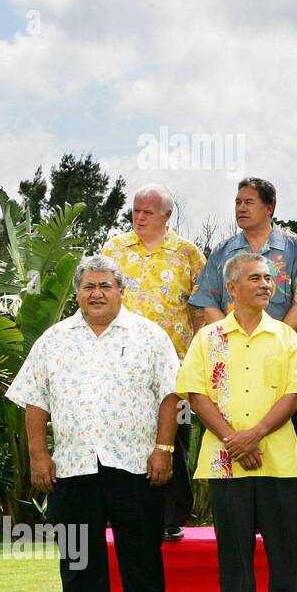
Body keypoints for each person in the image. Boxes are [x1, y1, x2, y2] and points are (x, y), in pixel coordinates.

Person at [7, 255, 180, 592]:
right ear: (78, 293)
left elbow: (170, 396)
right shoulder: (54, 339)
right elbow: (35, 400)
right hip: (73, 465)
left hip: (135, 463)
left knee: (140, 554)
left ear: (121, 291)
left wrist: (164, 449)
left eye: (105, 286)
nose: (97, 293)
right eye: (89, 286)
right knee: (79, 553)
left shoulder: (149, 336)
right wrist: (38, 457)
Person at [179, 252, 297, 592]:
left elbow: (296, 394)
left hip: (278, 459)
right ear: (232, 288)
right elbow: (195, 392)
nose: (266, 285)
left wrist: (252, 435)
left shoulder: (287, 337)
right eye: (255, 277)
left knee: (285, 546)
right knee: (233, 549)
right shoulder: (208, 338)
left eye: (269, 278)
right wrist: (233, 439)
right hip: (224, 460)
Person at [190, 177, 297, 538]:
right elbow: (206, 302)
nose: (241, 208)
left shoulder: (295, 248)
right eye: (237, 201)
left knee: (294, 432)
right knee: (229, 424)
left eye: (249, 201)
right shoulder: (223, 251)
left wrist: (272, 334)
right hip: (230, 356)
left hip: (281, 354)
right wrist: (230, 335)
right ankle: (238, 524)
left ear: (270, 208)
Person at [102, 183, 206, 542]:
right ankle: (125, 514)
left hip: (174, 367)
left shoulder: (188, 254)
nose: (139, 217)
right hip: (122, 364)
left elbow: (200, 310)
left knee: (174, 438)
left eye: (148, 211)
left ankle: (171, 516)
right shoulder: (114, 249)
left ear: (167, 215)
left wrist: (196, 356)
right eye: (135, 210)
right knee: (126, 436)